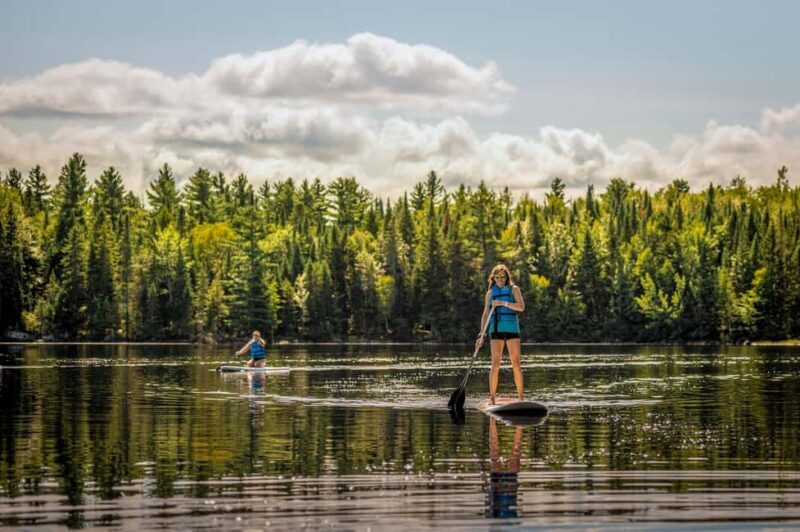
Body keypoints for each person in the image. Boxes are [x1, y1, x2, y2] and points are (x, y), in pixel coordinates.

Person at [476, 264, 525, 405]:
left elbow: (521, 307)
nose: (500, 279)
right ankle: (492, 398)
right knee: (495, 364)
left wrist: (503, 303)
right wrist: (481, 335)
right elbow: (485, 315)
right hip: (496, 330)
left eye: (503, 276)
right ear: (494, 278)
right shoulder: (490, 293)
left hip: (512, 329)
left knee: (516, 364)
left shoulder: (514, 289)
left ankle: (521, 398)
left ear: (507, 277)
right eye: (497, 277)